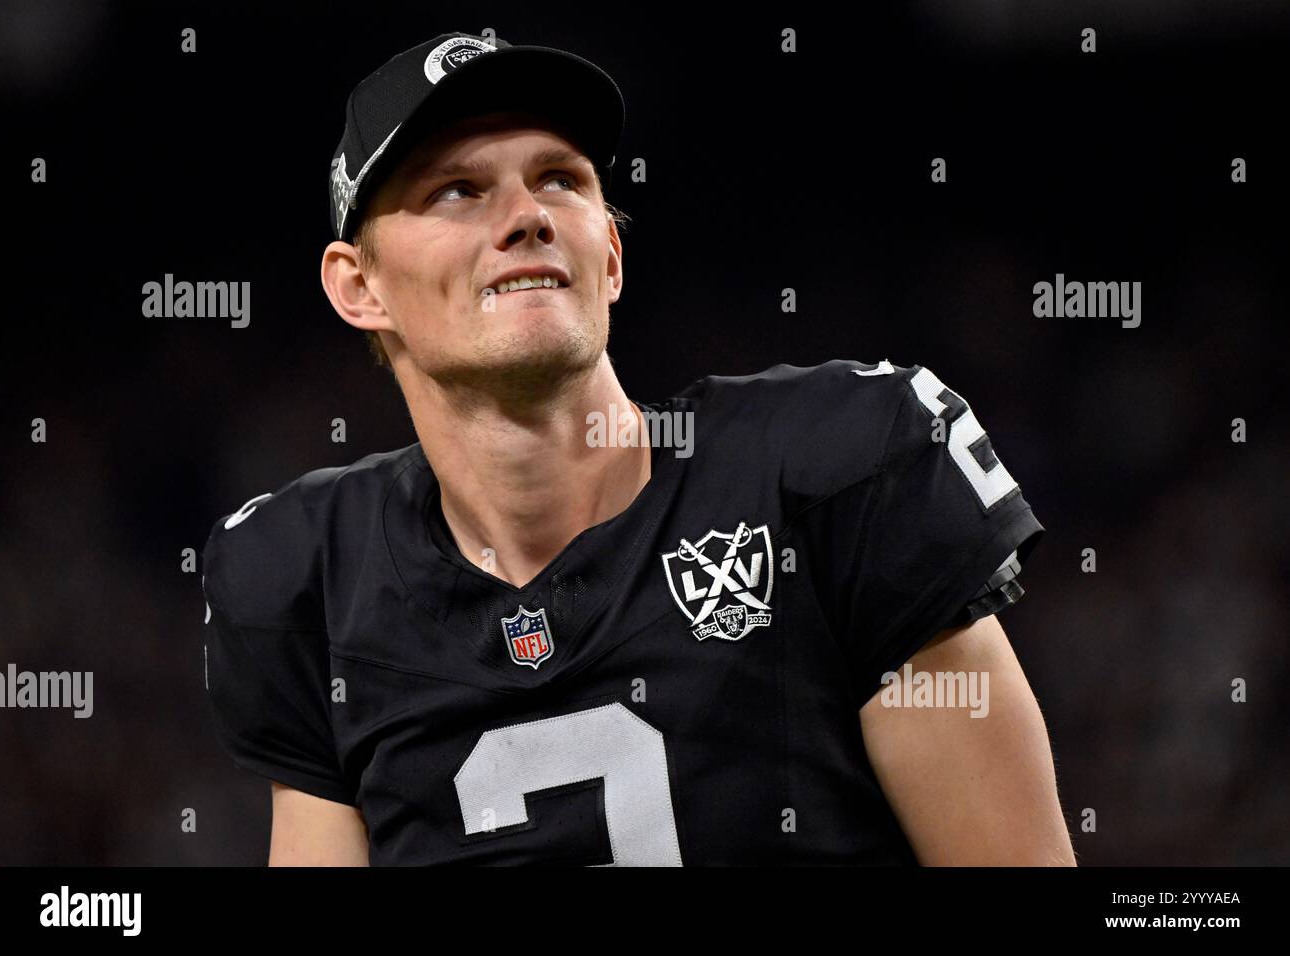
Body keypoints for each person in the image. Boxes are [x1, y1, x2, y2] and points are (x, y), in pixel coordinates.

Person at [202, 31, 1076, 866]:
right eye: (455, 191)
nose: (526, 217)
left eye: (559, 180)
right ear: (359, 287)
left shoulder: (840, 474)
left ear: (609, 256)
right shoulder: (309, 581)